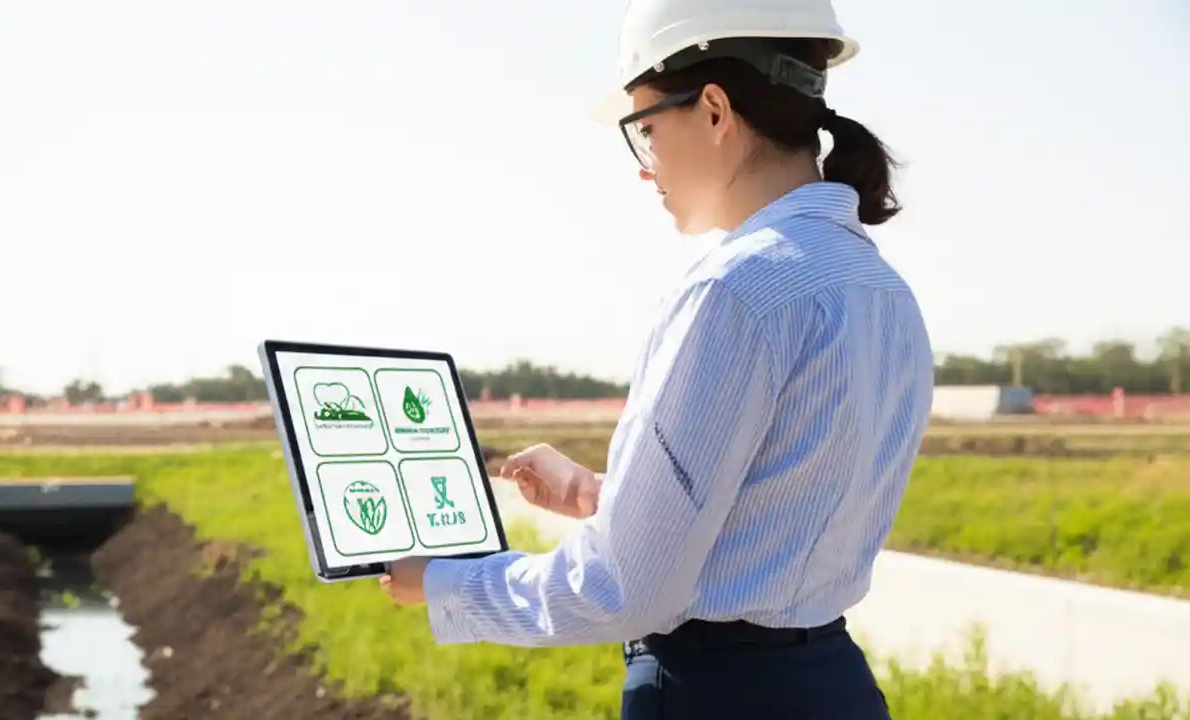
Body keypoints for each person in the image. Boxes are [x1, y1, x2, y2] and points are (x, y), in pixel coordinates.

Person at [381, 0, 934, 716]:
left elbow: (626, 589)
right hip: (834, 687)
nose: (646, 169)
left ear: (712, 110)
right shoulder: (882, 289)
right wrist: (597, 494)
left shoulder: (735, 289)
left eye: (645, 129)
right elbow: (774, 511)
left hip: (716, 694)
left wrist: (448, 581)